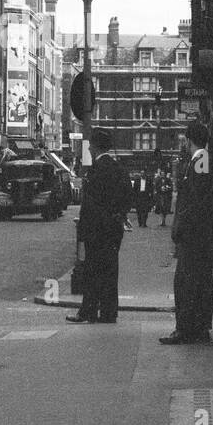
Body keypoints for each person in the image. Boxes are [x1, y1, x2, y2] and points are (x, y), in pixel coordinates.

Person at [161, 121, 213, 344]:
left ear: (189, 139)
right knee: (199, 282)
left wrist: (184, 226)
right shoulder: (200, 161)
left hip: (194, 236)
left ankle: (186, 329)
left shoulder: (201, 161)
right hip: (200, 234)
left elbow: (198, 199)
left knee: (187, 282)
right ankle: (199, 327)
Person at [67, 129, 133, 325]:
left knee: (92, 271)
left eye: (90, 145)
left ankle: (87, 311)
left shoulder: (95, 170)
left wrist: (84, 229)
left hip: (96, 230)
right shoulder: (119, 168)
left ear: (94, 147)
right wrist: (119, 216)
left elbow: (89, 204)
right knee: (110, 271)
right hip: (113, 229)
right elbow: (128, 196)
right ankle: (108, 312)